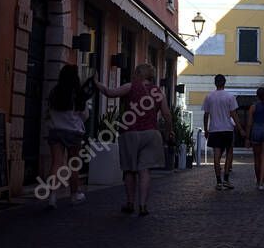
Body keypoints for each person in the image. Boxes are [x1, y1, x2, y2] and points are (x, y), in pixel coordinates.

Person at [96, 64, 173, 216]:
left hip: (130, 133)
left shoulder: (130, 86)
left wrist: (96, 82)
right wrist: (168, 133)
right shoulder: (158, 92)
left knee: (130, 170)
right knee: (145, 171)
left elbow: (109, 93)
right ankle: (143, 206)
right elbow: (167, 115)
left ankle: (130, 203)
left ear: (138, 73)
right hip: (151, 134)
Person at [45, 65, 90, 208]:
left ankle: (52, 196)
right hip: (73, 132)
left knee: (56, 163)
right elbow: (85, 115)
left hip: (56, 130)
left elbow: (49, 111)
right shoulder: (78, 94)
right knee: (73, 165)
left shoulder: (54, 92)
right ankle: (74, 195)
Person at [202, 74, 243, 190]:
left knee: (216, 154)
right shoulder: (230, 97)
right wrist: (240, 128)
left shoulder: (209, 97)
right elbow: (234, 114)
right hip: (227, 129)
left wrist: (206, 129)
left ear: (215, 83)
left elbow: (206, 115)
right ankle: (226, 179)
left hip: (214, 129)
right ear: (224, 83)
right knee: (229, 153)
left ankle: (218, 181)